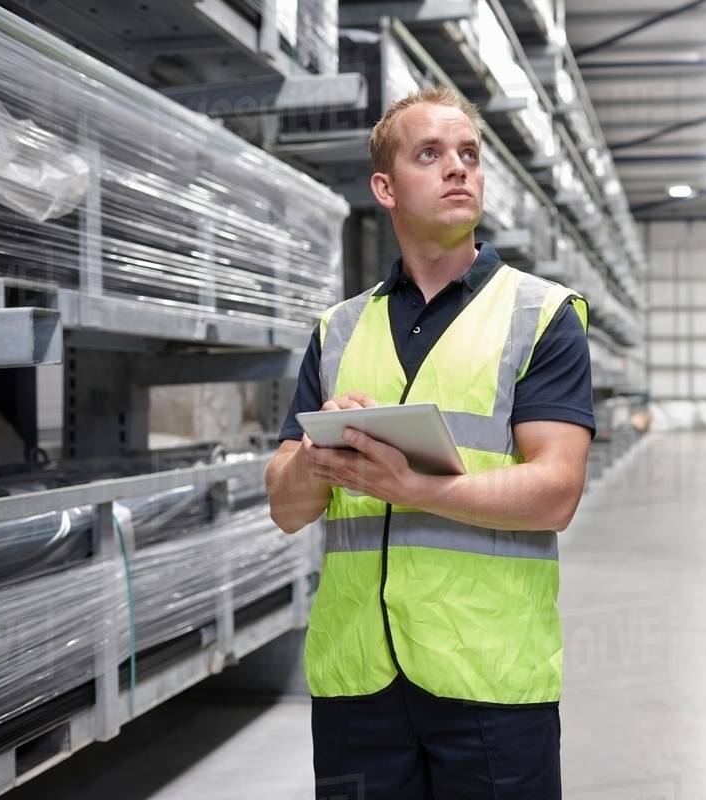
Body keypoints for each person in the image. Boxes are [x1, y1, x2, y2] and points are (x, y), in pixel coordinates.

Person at [264, 85, 595, 800]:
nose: (458, 168)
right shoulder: (339, 330)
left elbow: (558, 490)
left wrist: (417, 489)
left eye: (469, 155)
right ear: (385, 187)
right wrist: (320, 460)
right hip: (359, 677)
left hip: (489, 674)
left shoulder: (540, 315)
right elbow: (287, 506)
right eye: (431, 154)